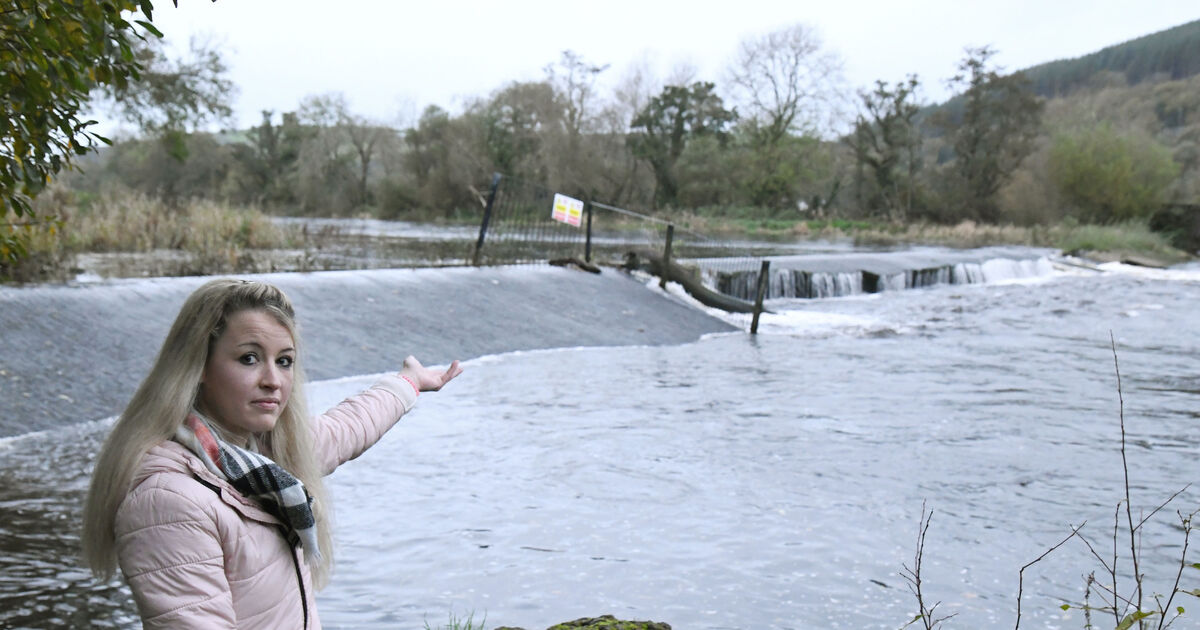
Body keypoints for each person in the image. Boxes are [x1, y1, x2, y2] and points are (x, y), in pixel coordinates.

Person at [81, 278, 462, 629]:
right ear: (198, 365)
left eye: (284, 361)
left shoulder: (258, 457)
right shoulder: (168, 503)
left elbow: (348, 427)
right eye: (249, 358)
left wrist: (408, 382)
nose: (273, 381)